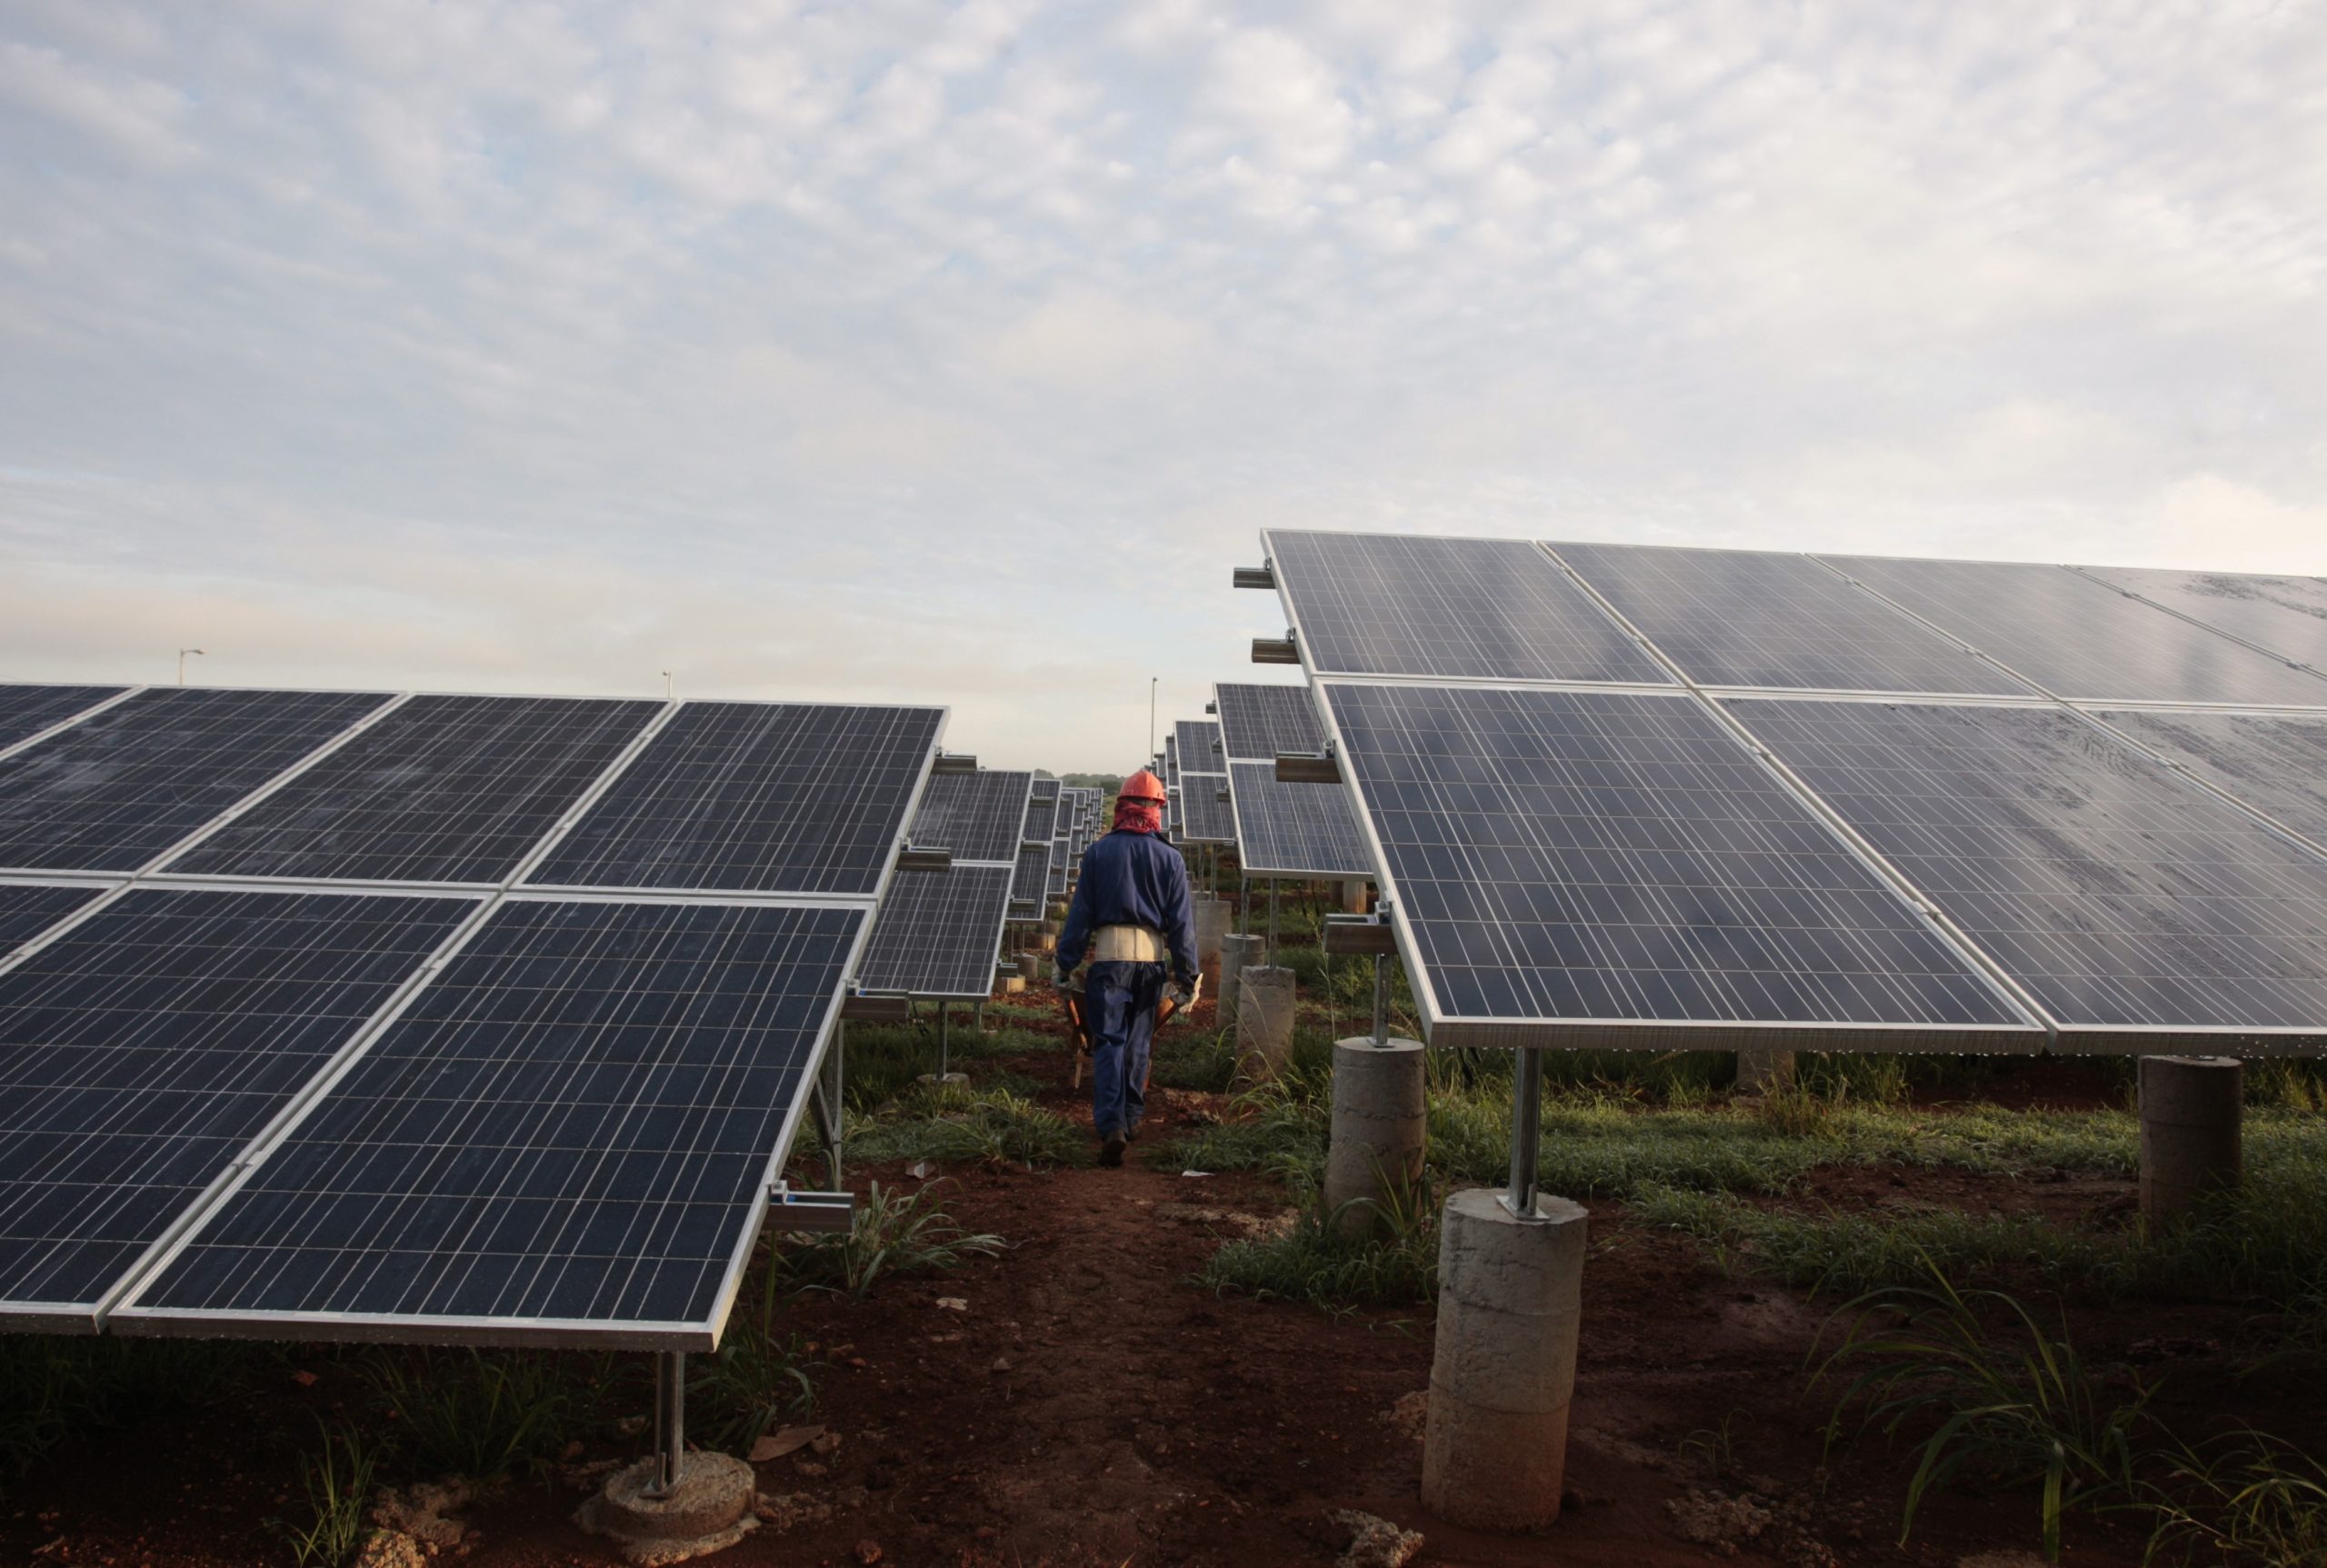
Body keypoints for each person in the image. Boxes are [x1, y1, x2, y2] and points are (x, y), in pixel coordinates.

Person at [1053, 769, 1197, 1166]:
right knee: (1138, 1043)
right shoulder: (1170, 858)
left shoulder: (1100, 853)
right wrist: (1188, 977)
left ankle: (1111, 1123)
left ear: (1121, 807)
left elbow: (1080, 916)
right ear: (1157, 810)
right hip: (1150, 965)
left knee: (1109, 1042)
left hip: (1109, 962)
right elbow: (1182, 924)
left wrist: (1065, 966)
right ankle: (1132, 1119)